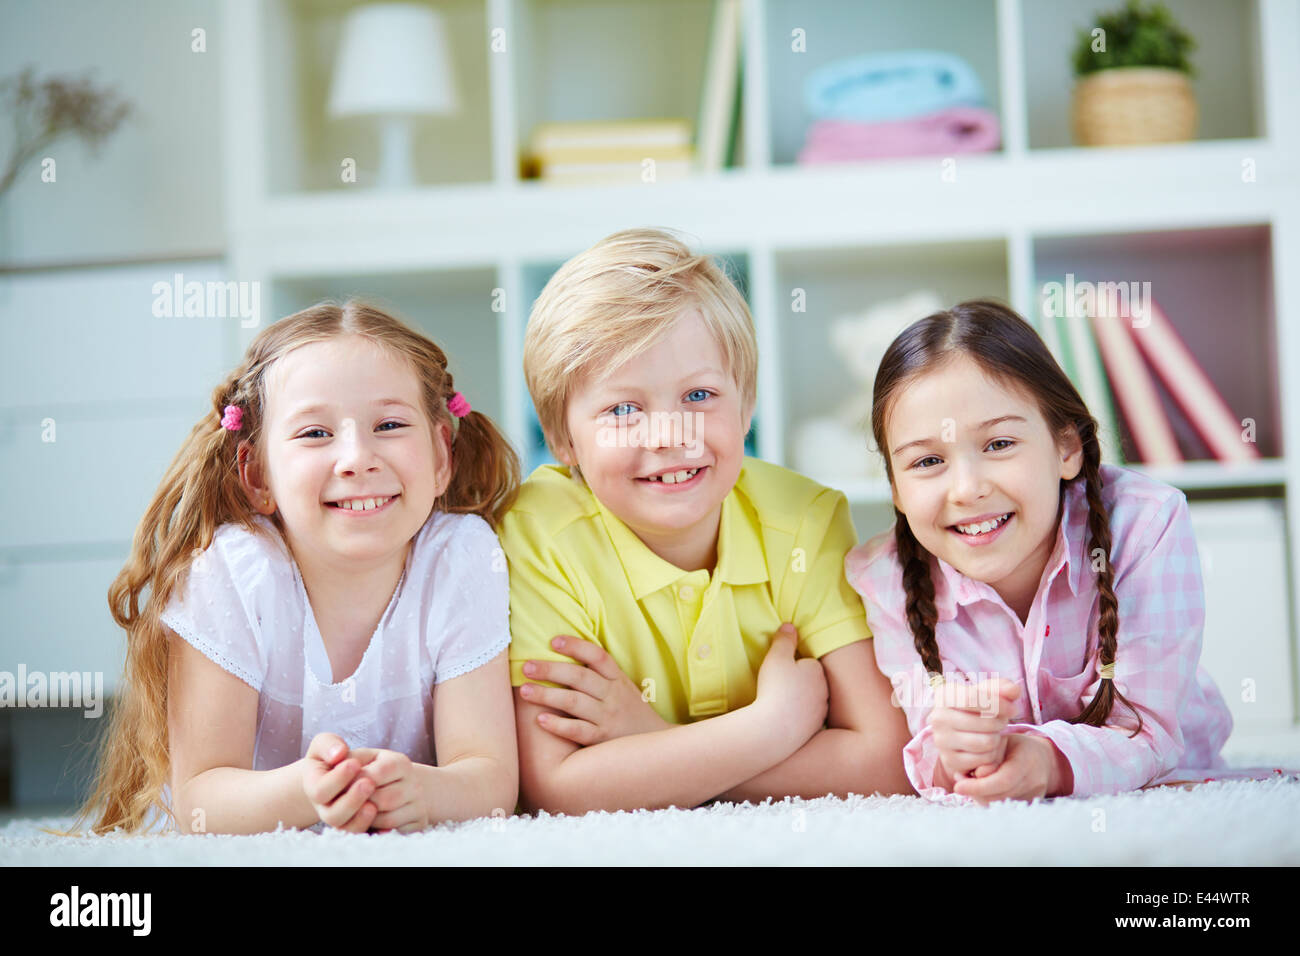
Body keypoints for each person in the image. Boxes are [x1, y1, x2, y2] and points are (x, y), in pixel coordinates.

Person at [501, 227, 913, 815]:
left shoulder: (806, 521)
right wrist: (767, 729)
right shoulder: (538, 532)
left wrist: (650, 742)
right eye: (623, 409)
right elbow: (555, 786)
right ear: (564, 438)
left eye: (699, 396)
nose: (670, 435)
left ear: (747, 406)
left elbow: (886, 758)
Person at [69, 300, 520, 834]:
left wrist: (427, 790)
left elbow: (490, 779)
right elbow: (202, 800)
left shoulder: (461, 557)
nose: (357, 457)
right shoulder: (232, 574)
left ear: (441, 455)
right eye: (314, 433)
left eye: (390, 424)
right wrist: (307, 790)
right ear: (257, 475)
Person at [845, 298, 1233, 804]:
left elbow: (1147, 729)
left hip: (1172, 781)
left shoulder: (1145, 523)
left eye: (999, 444)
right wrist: (959, 752)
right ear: (895, 488)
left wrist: (1047, 761)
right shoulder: (884, 578)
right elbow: (928, 746)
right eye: (927, 461)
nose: (967, 489)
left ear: (1066, 447)